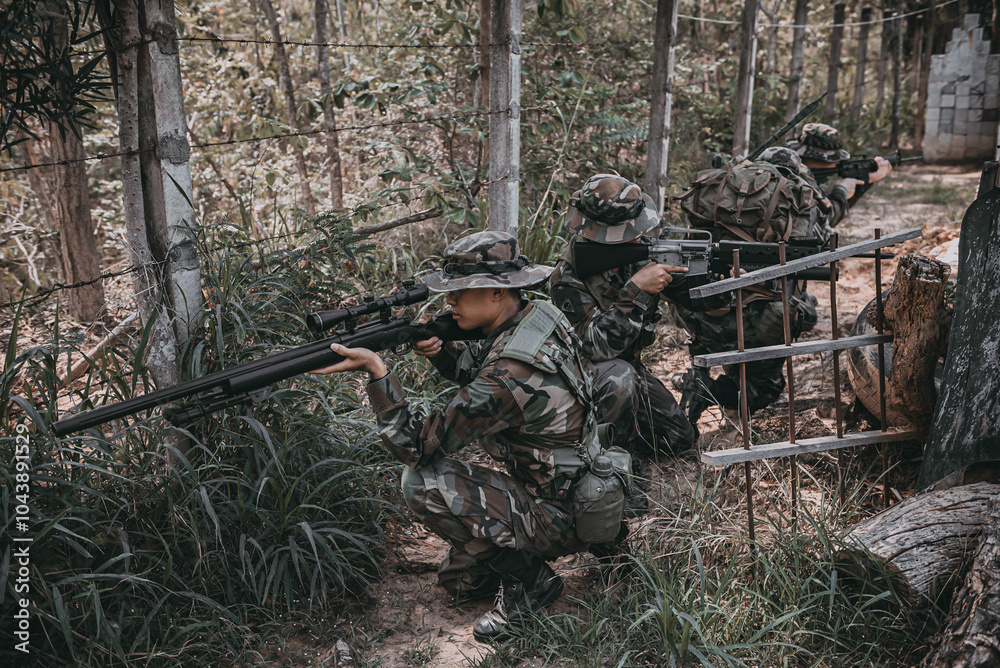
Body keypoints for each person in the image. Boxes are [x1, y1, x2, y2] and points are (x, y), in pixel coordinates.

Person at [310, 230, 607, 642]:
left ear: (498, 294)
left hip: (558, 513)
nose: (449, 302)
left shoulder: (511, 375)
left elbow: (416, 447)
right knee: (459, 585)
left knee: (422, 483)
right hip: (575, 486)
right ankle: (509, 554)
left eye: (461, 292)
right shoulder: (536, 316)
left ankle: (533, 583)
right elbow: (482, 369)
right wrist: (441, 350)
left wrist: (378, 373)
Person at [549, 174, 730, 454]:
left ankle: (618, 436)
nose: (637, 235)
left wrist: (724, 282)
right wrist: (636, 291)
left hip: (629, 370)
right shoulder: (568, 276)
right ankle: (610, 463)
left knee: (678, 438)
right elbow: (594, 347)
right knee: (617, 376)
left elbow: (688, 295)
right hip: (581, 376)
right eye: (626, 231)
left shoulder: (639, 251)